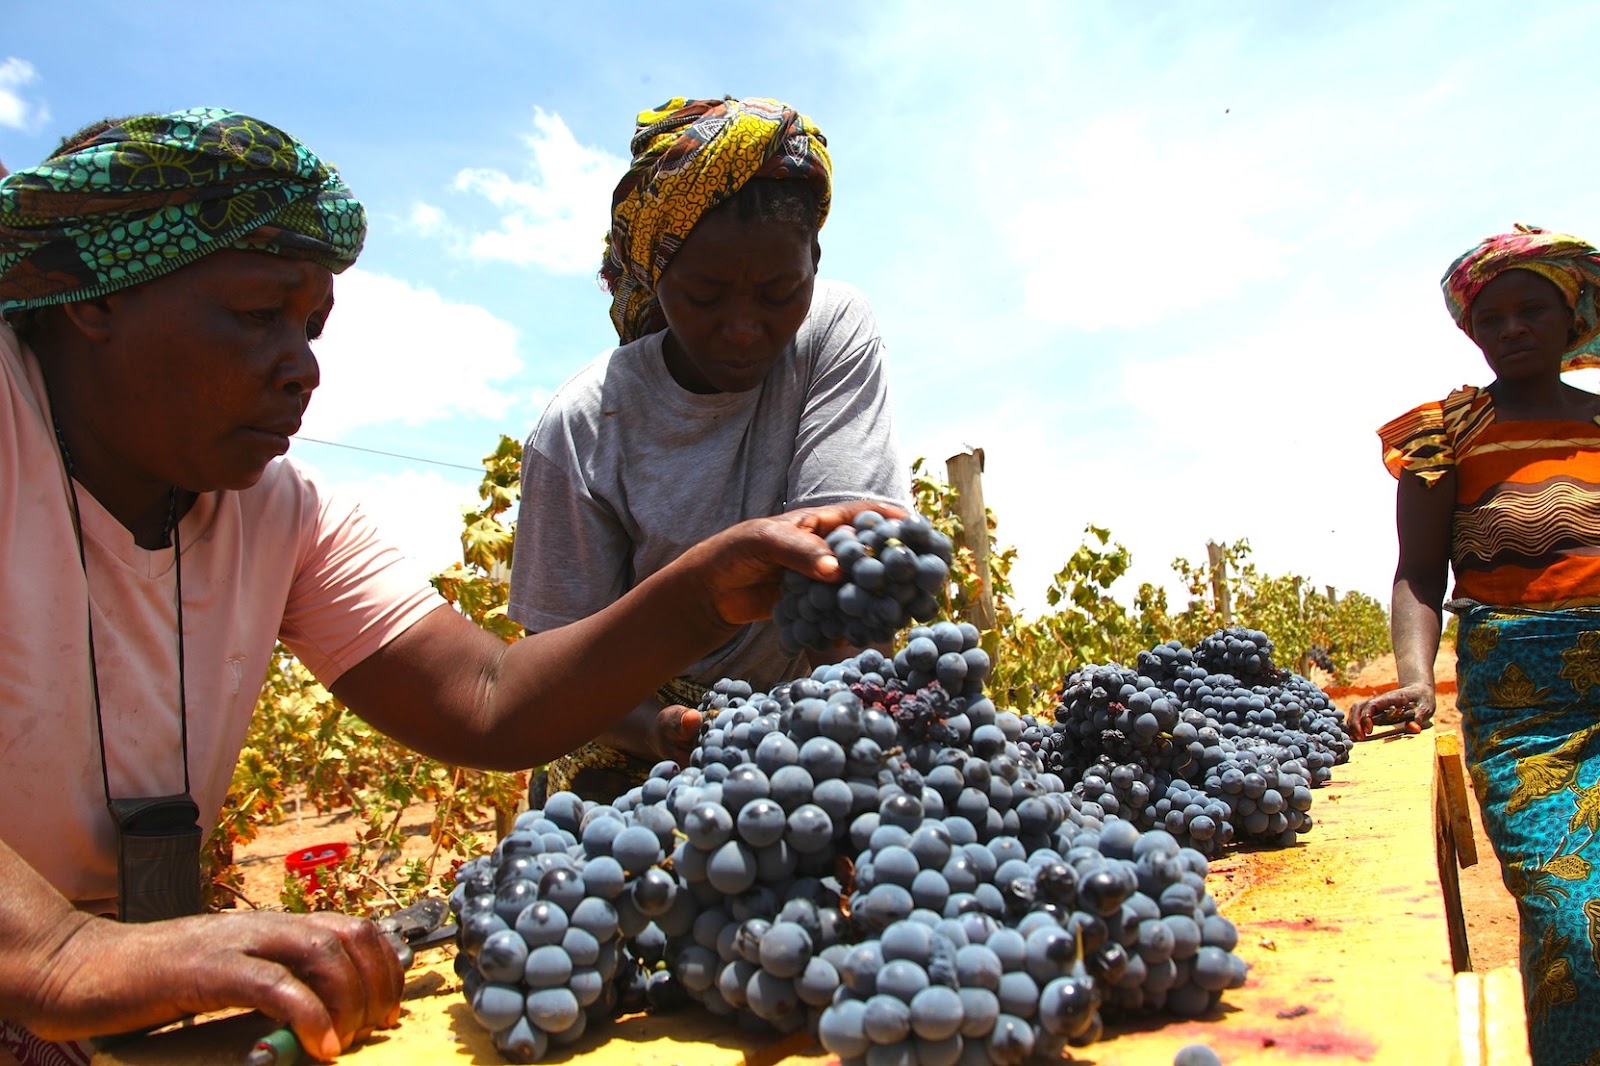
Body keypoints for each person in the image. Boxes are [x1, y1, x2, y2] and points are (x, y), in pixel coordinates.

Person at [0, 108, 886, 1064]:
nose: (303, 369)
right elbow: (55, 965)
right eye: (259, 315)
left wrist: (705, 588)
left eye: (311, 326)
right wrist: (53, 950)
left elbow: (487, 701)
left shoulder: (278, 515)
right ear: (95, 297)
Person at [508, 96, 907, 801]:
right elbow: (556, 678)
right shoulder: (582, 429)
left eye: (781, 291)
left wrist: (850, 734)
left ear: (814, 262)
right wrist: (662, 728)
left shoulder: (832, 332)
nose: (745, 328)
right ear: (654, 278)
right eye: (705, 295)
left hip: (801, 721)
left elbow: (837, 580)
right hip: (628, 746)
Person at [1349, 225, 1600, 1065]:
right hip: (1530, 715)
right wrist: (1418, 680)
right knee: (1572, 921)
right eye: (1493, 319)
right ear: (1472, 333)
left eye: (1534, 311)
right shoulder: (1445, 435)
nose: (1514, 329)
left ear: (1573, 321)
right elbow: (1419, 574)